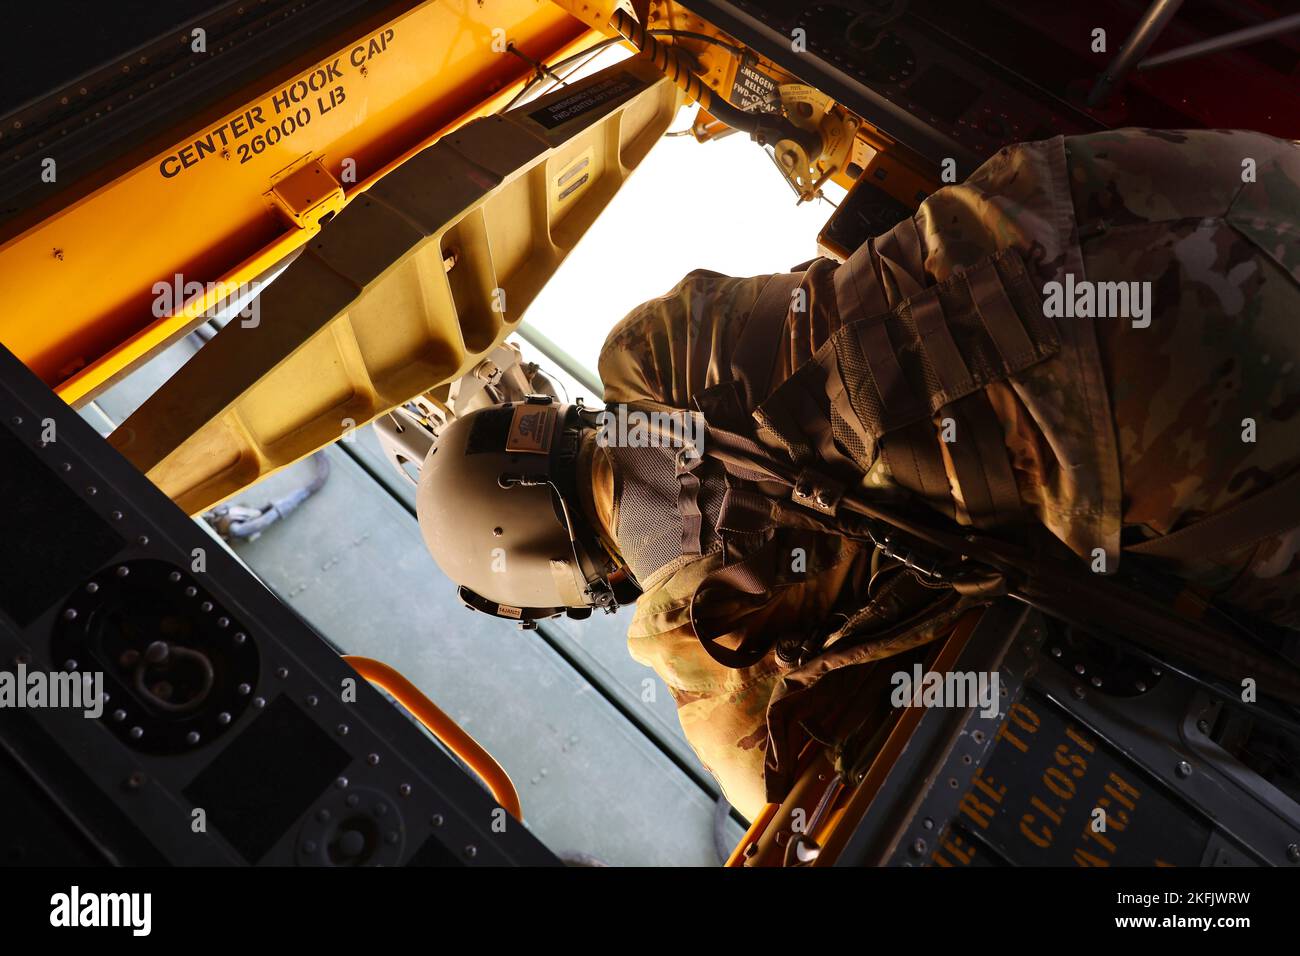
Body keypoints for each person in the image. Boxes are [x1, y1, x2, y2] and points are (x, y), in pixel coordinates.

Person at [417, 128, 1300, 821]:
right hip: (1121, 195)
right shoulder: (650, 343)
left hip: (1158, 412)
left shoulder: (692, 638)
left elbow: (775, 804)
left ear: (549, 572)